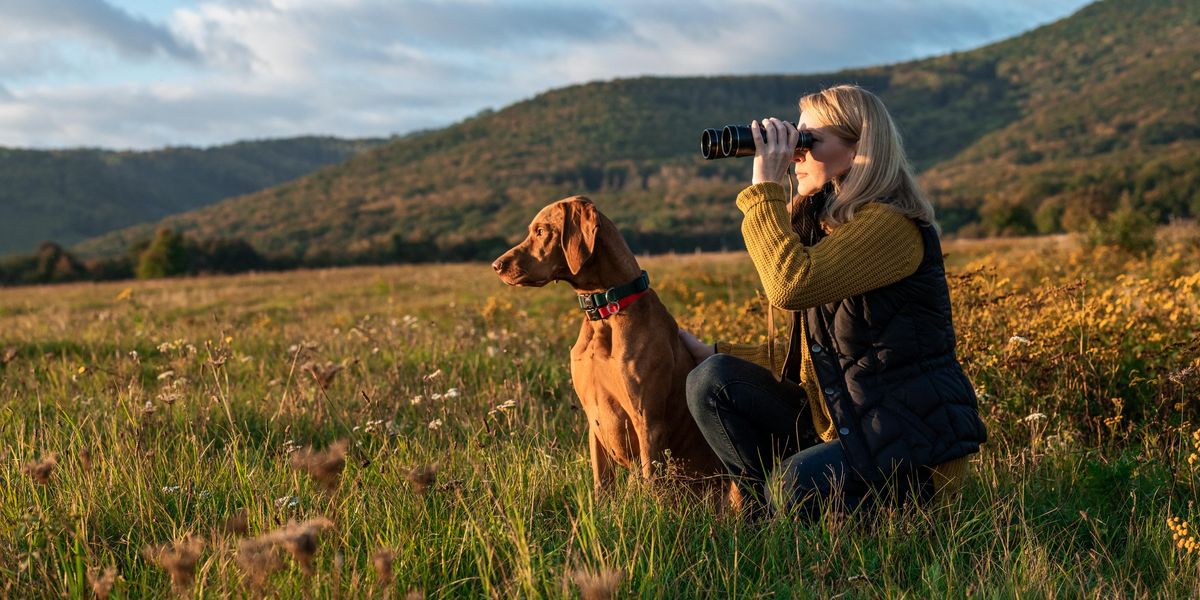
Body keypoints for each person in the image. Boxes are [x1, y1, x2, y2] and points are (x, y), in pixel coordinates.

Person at [678, 84, 987, 520]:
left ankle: (790, 511)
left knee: (791, 486)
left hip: (908, 448)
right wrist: (712, 352)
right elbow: (821, 357)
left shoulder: (889, 225)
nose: (795, 154)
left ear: (860, 147)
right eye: (794, 141)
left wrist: (764, 186)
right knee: (712, 379)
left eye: (807, 142)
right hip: (850, 427)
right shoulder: (824, 225)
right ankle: (760, 518)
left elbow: (790, 284)